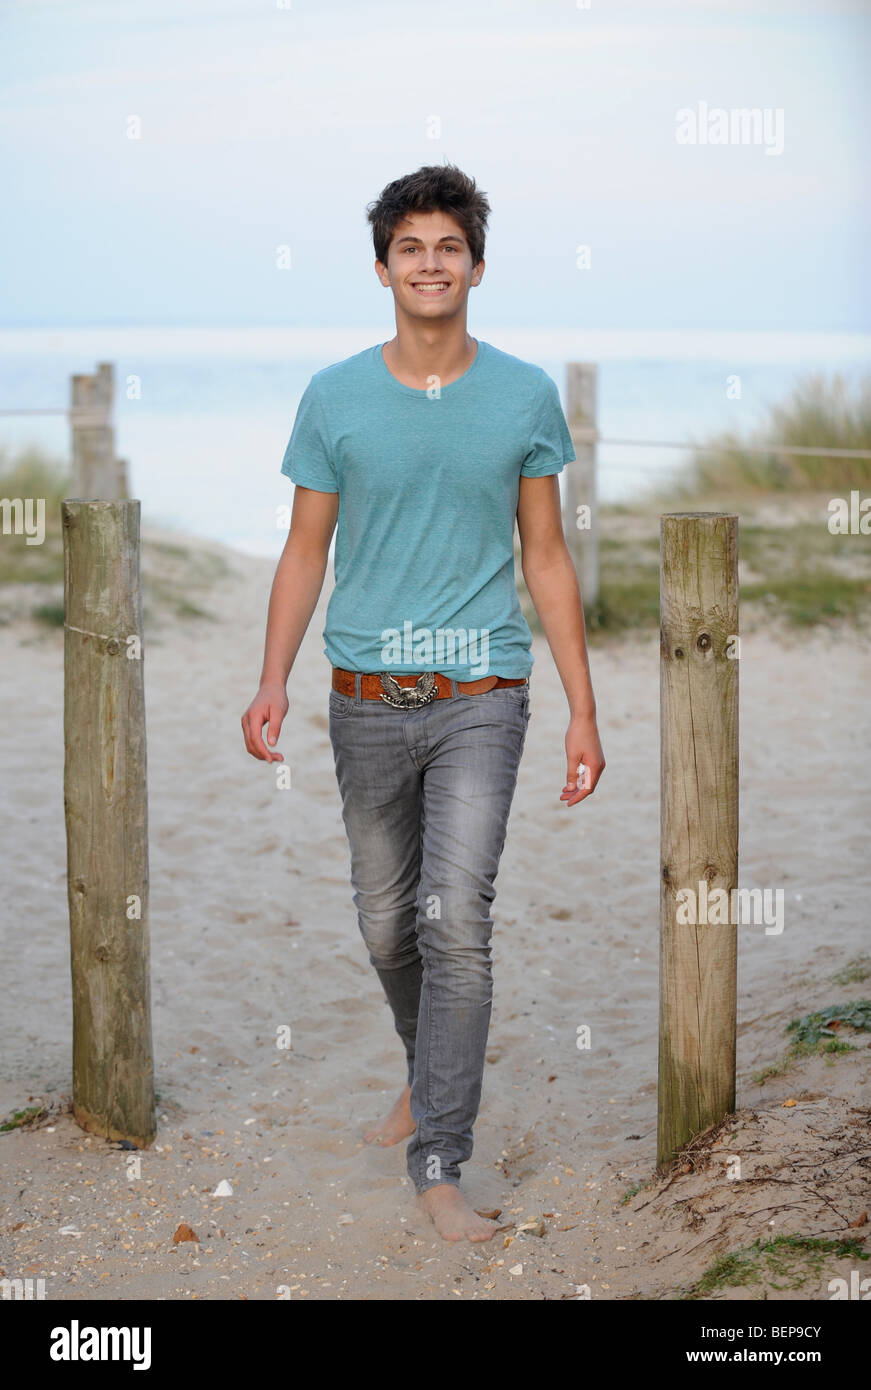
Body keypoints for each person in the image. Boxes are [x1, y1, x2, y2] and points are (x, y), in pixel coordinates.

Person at [241, 162, 605, 1244]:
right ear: (383, 267)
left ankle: (439, 1158)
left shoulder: (524, 394)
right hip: (361, 697)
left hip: (483, 691)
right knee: (386, 918)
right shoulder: (335, 395)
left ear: (476, 266)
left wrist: (584, 710)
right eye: (411, 247)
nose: (430, 263)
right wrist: (271, 679)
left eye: (449, 246)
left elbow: (544, 558)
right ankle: (426, 1066)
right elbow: (305, 552)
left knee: (455, 922)